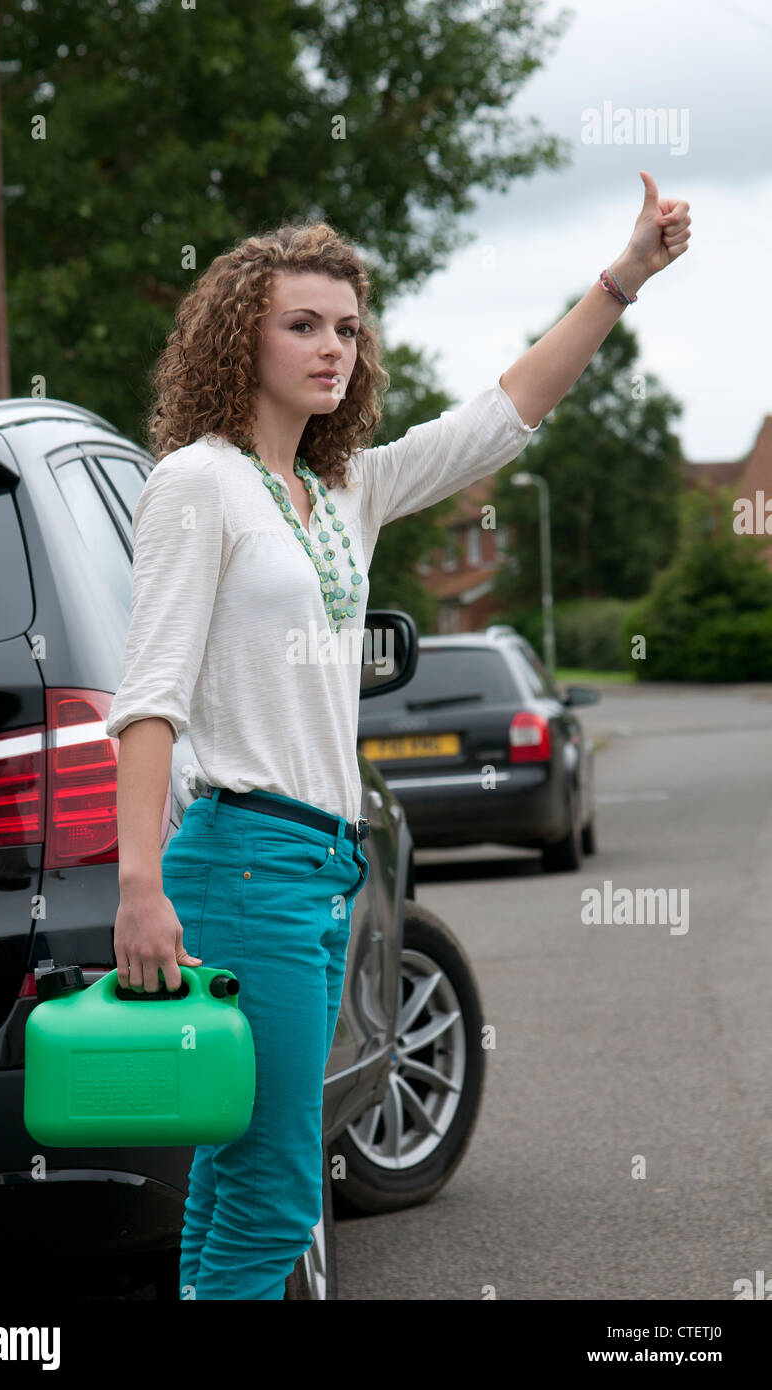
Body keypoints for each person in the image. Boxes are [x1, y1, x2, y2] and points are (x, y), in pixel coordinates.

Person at [105, 175, 691, 1300]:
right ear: (241, 336)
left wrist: (620, 281)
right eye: (302, 324)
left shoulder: (341, 492)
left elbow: (499, 414)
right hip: (240, 862)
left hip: (325, 868)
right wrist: (139, 885)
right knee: (279, 1183)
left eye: (346, 328)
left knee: (238, 1175)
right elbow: (150, 697)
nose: (332, 346)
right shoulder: (197, 485)